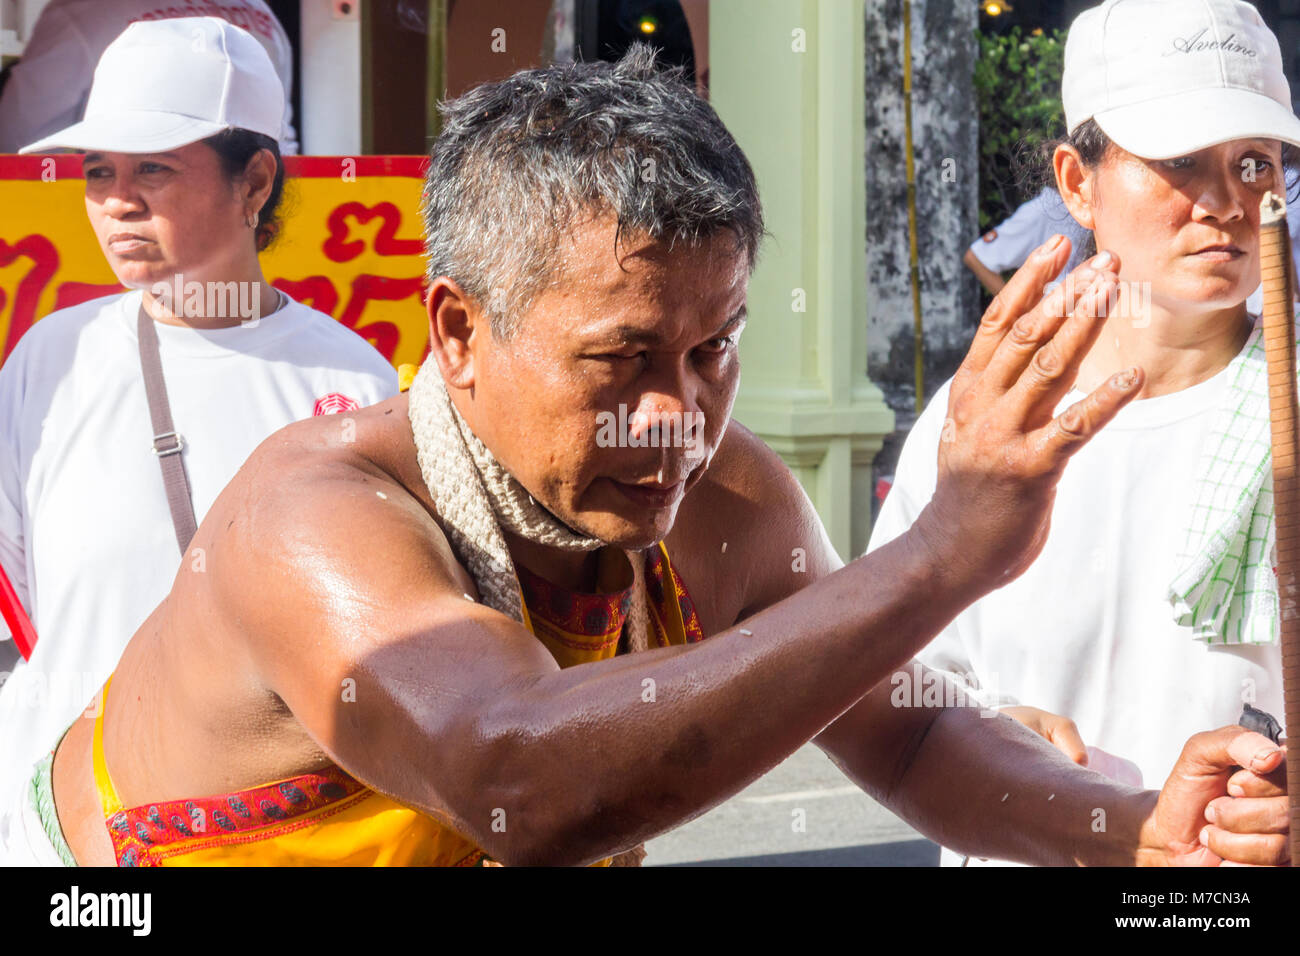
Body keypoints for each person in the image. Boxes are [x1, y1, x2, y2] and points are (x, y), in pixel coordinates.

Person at [4, 44, 1287, 868]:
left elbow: (899, 734)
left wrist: (1135, 831)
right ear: (458, 329)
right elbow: (513, 777)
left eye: (715, 347)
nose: (677, 413)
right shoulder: (312, 515)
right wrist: (942, 558)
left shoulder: (724, 500)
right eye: (620, 358)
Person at [871, 0, 1300, 867]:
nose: (1224, 201)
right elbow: (889, 687)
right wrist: (988, 742)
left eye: (1254, 162)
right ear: (1077, 182)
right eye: (1179, 160)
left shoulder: (1289, 411)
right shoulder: (988, 415)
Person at [0, 17, 395, 830]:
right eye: (98, 170)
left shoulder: (351, 382)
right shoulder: (50, 361)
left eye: (153, 168)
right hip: (62, 835)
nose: (117, 201)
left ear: (254, 181)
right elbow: (26, 596)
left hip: (262, 836)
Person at [0, 0, 298, 155]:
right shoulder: (259, 13)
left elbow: (17, 142)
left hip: (132, 218)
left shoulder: (87, 10)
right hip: (256, 212)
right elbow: (282, 137)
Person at [963, 185, 1092, 296]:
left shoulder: (1090, 209)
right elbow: (977, 257)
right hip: (1050, 319)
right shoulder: (1042, 211)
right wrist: (1018, 314)